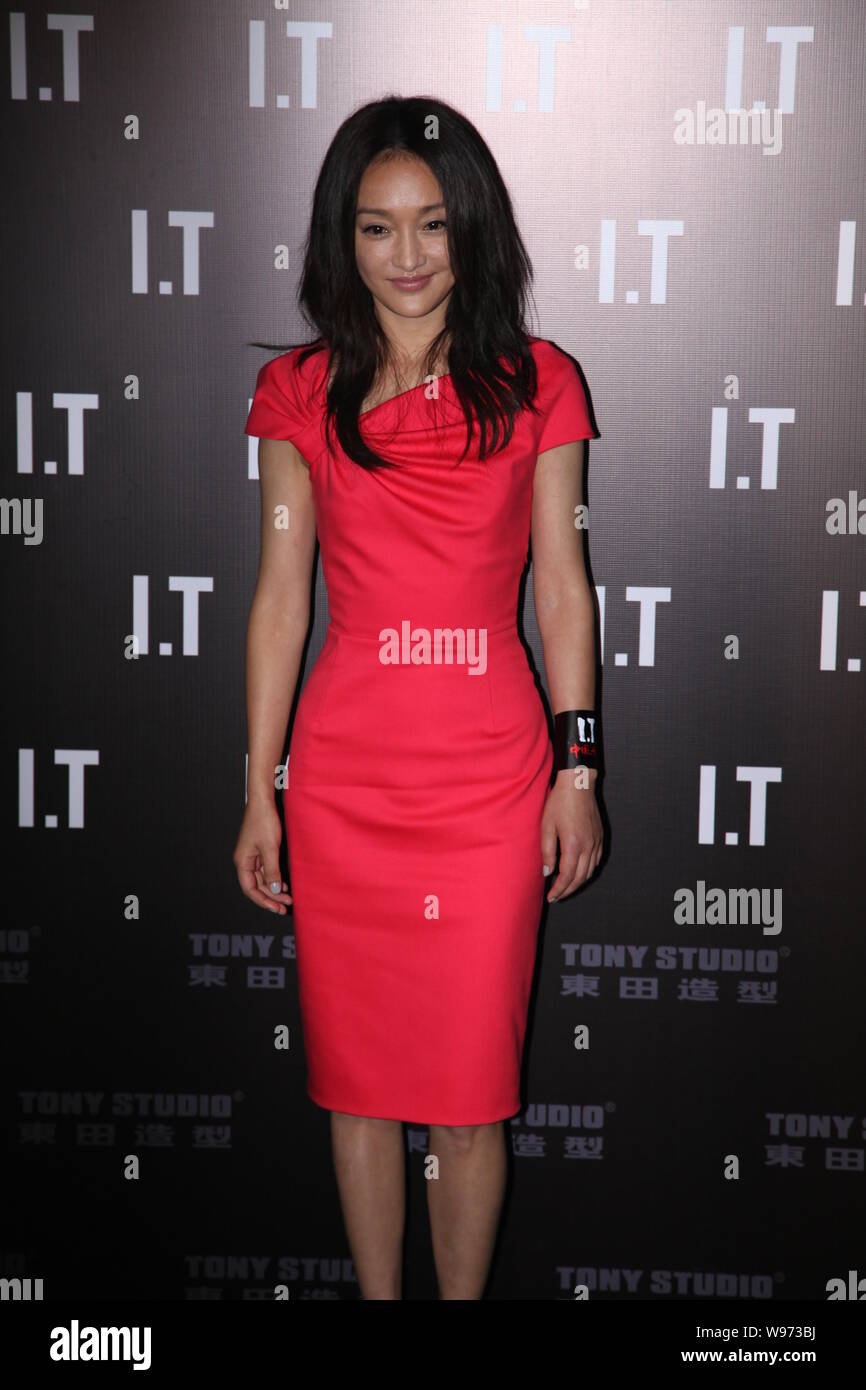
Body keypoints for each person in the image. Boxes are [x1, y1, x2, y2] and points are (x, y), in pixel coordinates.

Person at [234, 95, 604, 1300]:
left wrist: (577, 769)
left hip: (491, 785)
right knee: (353, 1093)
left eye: (432, 227)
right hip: (343, 787)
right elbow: (282, 599)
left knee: (464, 1106)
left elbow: (561, 590)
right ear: (340, 239)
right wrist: (259, 790)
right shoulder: (297, 392)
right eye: (376, 228)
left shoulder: (540, 382)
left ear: (472, 231)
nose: (405, 257)